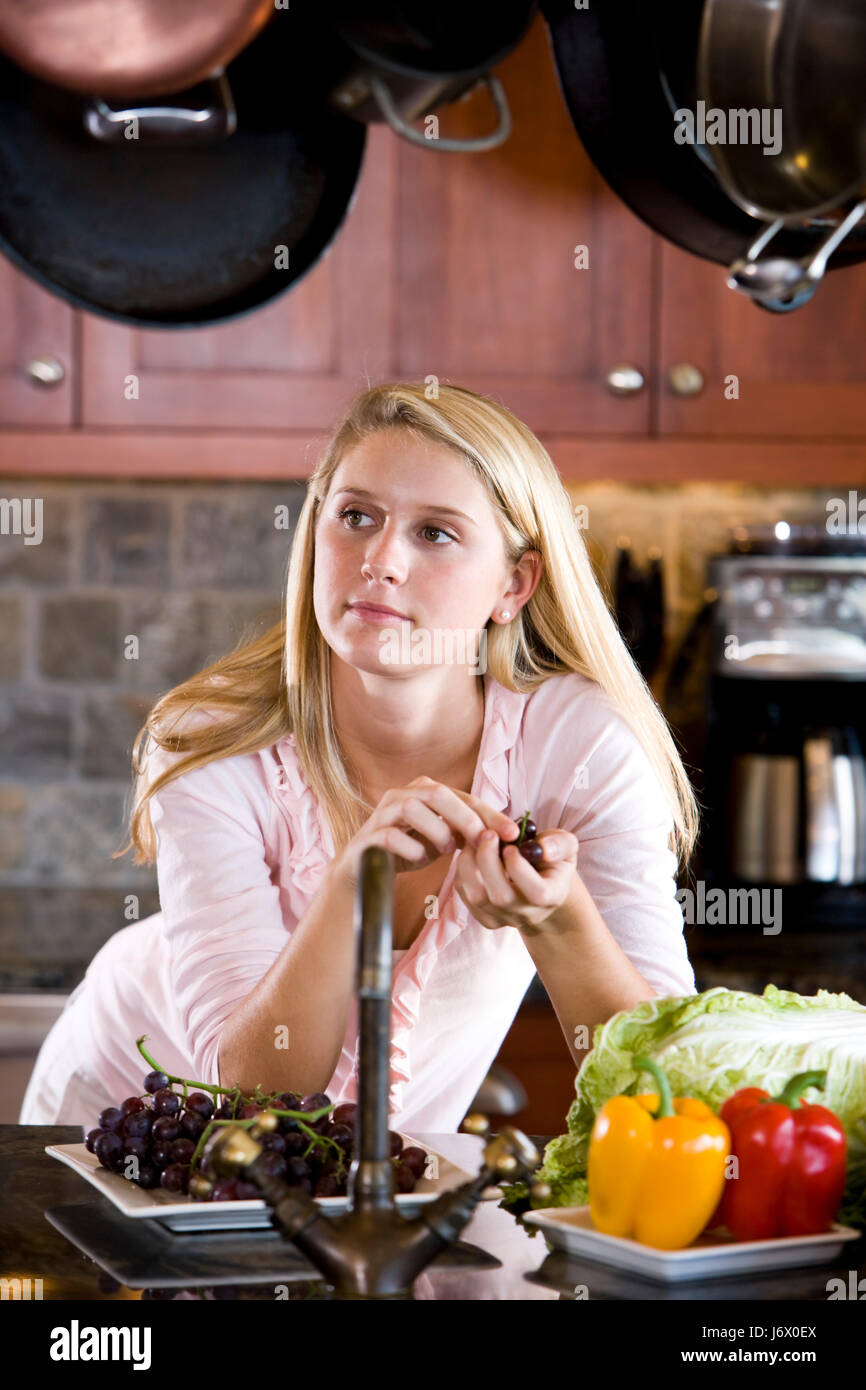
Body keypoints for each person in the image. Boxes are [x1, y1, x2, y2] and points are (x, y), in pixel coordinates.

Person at [20, 381, 698, 1131]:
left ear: (514, 583)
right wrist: (349, 889)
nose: (380, 559)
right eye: (355, 517)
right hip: (117, 1121)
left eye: (435, 533)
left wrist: (560, 921)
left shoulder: (579, 745)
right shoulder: (210, 740)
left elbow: (668, 1078)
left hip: (359, 1168)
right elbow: (253, 1091)